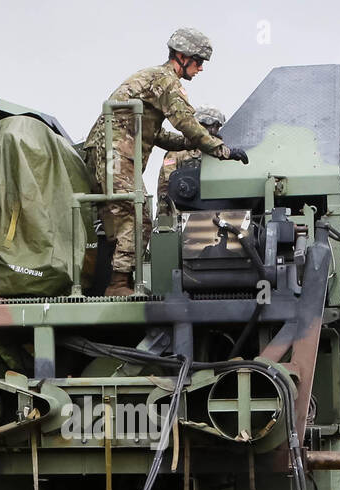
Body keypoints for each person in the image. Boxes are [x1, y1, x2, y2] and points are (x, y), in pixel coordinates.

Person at [82, 28, 249, 296]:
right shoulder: (166, 81)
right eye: (199, 61)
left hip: (108, 150)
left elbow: (156, 133)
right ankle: (118, 285)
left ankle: (115, 281)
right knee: (138, 217)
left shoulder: (152, 79)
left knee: (118, 221)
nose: (201, 69)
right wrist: (221, 150)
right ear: (182, 56)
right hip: (115, 153)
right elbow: (185, 121)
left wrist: (190, 143)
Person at [156, 106, 227, 220]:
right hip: (184, 218)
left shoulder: (221, 153)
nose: (213, 130)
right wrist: (168, 219)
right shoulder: (177, 153)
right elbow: (166, 190)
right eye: (207, 126)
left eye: (216, 126)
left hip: (219, 216)